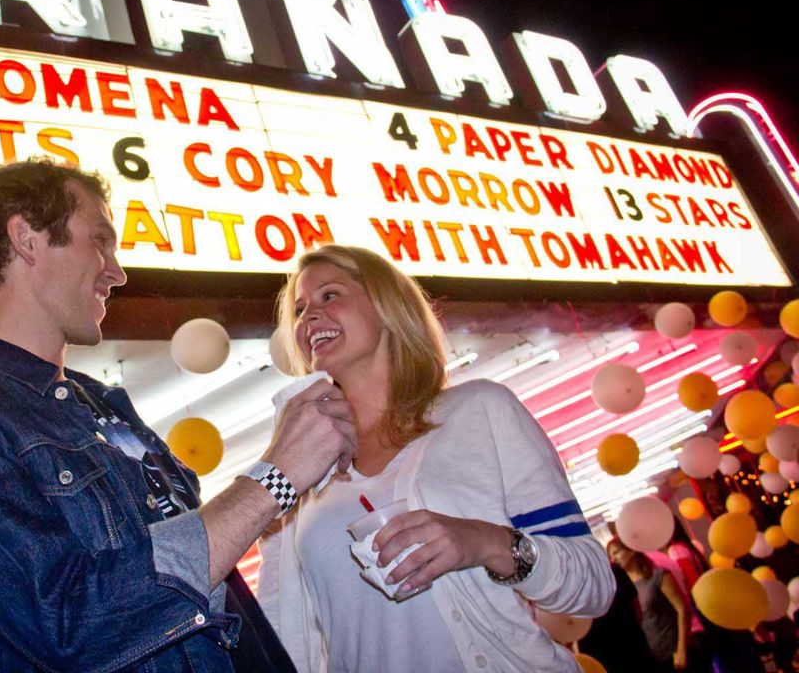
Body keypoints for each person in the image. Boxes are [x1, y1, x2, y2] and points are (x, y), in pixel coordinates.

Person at [0, 159, 357, 672]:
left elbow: (208, 597)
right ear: (26, 238)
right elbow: (67, 624)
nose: (117, 271)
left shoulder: (106, 408)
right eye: (100, 241)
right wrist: (273, 480)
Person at [257, 244, 615, 672]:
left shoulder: (481, 410)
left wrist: (482, 542)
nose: (308, 318)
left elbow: (594, 586)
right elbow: (281, 628)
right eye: (300, 310)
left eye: (329, 295)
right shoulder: (299, 464)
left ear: (387, 306)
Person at [608, 536, 690, 670]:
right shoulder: (624, 588)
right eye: (610, 557)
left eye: (616, 553)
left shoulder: (658, 575)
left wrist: (682, 649)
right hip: (652, 657)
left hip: (673, 650)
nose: (613, 560)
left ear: (631, 550)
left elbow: (682, 608)